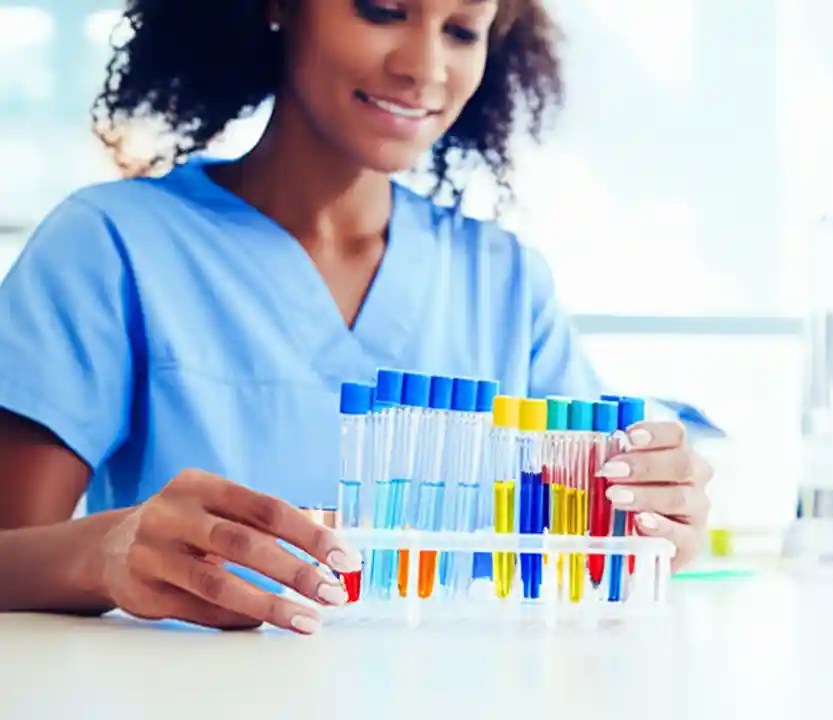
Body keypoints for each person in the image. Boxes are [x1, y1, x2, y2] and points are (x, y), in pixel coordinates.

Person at [0, 0, 712, 635]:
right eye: (381, 12)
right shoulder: (109, 244)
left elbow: (592, 540)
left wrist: (655, 520)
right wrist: (107, 551)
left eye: (462, 30)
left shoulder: (505, 280)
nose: (425, 67)